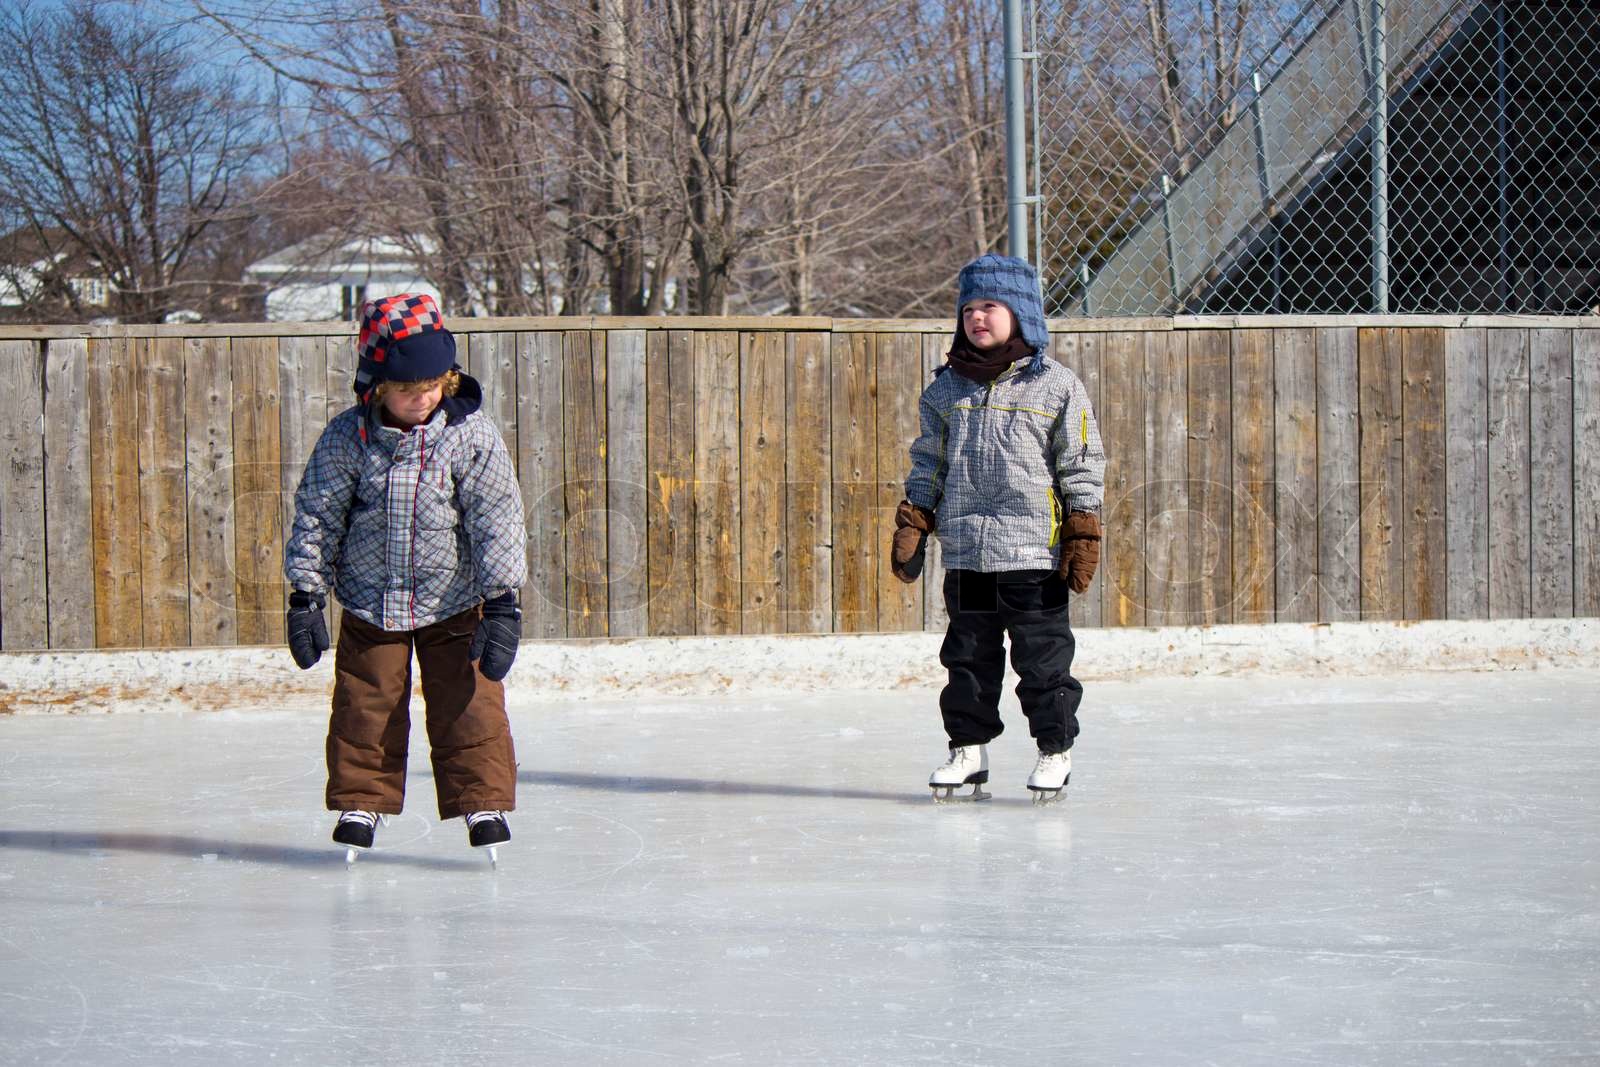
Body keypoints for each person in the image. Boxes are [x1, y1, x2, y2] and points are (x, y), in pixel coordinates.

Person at [283, 292, 527, 856]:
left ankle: (481, 800)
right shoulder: (348, 437)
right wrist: (306, 594)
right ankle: (361, 801)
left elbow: (498, 517)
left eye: (431, 388)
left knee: (470, 701)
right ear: (376, 388)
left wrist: (503, 602)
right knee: (364, 705)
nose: (422, 400)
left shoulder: (470, 435)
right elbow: (318, 514)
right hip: (372, 602)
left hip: (456, 600)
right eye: (406, 390)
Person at [893, 254, 1106, 804]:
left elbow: (1080, 459)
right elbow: (929, 462)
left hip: (1034, 556)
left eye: (990, 306)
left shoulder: (1055, 386)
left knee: (1042, 663)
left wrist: (1083, 530)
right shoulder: (945, 390)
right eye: (968, 308)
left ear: (1021, 314)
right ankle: (968, 750)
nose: (977, 317)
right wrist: (916, 517)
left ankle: (1054, 750)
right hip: (968, 553)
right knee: (967, 660)